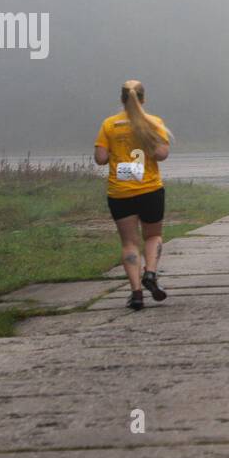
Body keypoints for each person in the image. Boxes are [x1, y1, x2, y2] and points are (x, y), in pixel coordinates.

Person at [94, 79, 173, 311]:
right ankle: (150, 272)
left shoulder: (109, 124)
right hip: (150, 189)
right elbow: (161, 154)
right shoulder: (154, 123)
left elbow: (100, 159)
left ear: (121, 99)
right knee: (153, 236)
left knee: (129, 242)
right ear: (143, 98)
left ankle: (136, 293)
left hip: (120, 192)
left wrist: (116, 152)